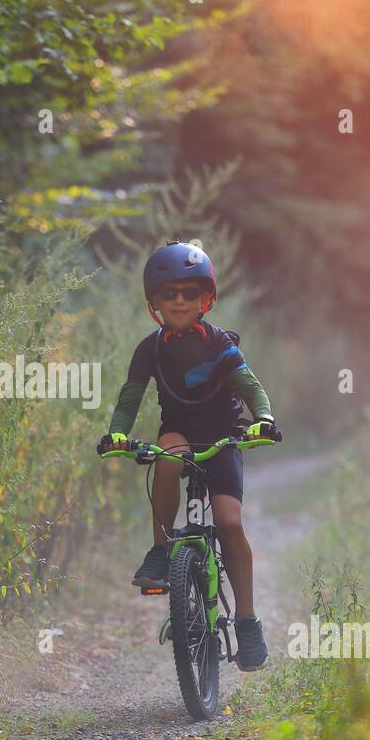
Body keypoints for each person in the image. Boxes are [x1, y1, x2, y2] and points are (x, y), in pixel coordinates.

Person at [97, 239, 276, 671]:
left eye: (189, 293)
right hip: (178, 433)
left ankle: (248, 622)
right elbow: (129, 399)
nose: (179, 300)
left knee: (229, 522)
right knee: (167, 454)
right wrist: (117, 434)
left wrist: (264, 418)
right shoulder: (150, 349)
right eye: (169, 293)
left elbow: (250, 386)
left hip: (222, 437)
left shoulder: (220, 345)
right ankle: (162, 551)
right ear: (154, 301)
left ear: (207, 298)